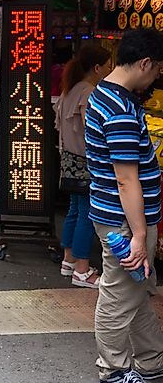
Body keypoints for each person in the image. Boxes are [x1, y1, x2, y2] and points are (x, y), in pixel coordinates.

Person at [85, 28, 163, 383]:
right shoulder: (119, 109)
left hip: (112, 213)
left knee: (137, 289)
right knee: (119, 293)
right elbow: (127, 179)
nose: (157, 78)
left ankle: (151, 358)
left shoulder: (107, 93)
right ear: (145, 63)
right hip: (123, 219)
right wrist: (140, 235)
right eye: (157, 70)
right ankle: (113, 369)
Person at [56, 43, 112, 289]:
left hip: (68, 160)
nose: (111, 70)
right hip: (86, 161)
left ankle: (68, 260)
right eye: (109, 65)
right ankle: (81, 269)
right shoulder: (89, 92)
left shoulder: (71, 88)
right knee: (87, 215)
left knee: (75, 210)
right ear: (98, 68)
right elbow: (93, 130)